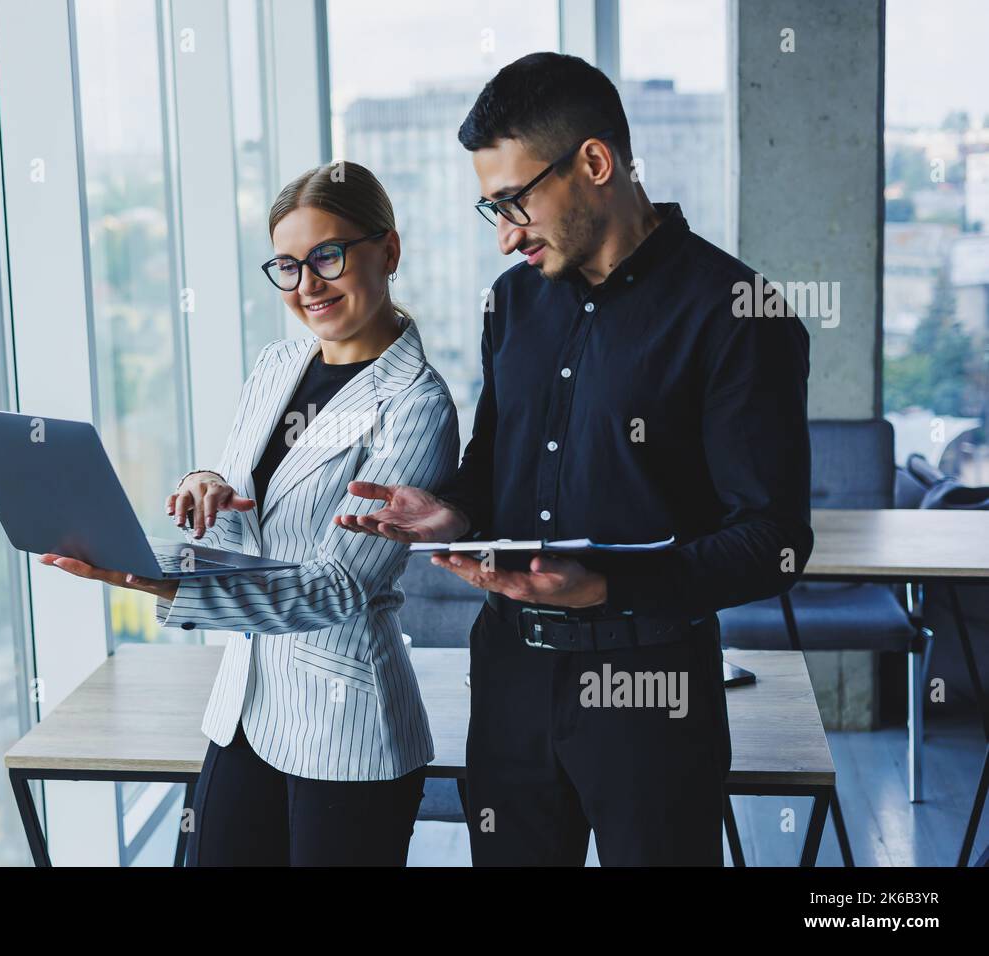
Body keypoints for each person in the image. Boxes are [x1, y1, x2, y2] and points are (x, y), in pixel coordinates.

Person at [335, 52, 812, 866]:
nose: (507, 235)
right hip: (510, 677)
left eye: (515, 202)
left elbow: (775, 540)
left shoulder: (738, 313)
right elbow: (493, 467)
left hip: (652, 693)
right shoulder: (513, 303)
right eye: (492, 211)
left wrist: (611, 586)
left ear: (595, 162)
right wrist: (453, 511)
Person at [43, 161, 459, 866]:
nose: (307, 286)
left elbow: (337, 589)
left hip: (345, 726)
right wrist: (204, 481)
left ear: (388, 251)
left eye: (327, 256)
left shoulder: (416, 404)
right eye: (288, 266)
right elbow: (244, 519)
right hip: (245, 710)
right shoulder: (276, 366)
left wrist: (155, 582)